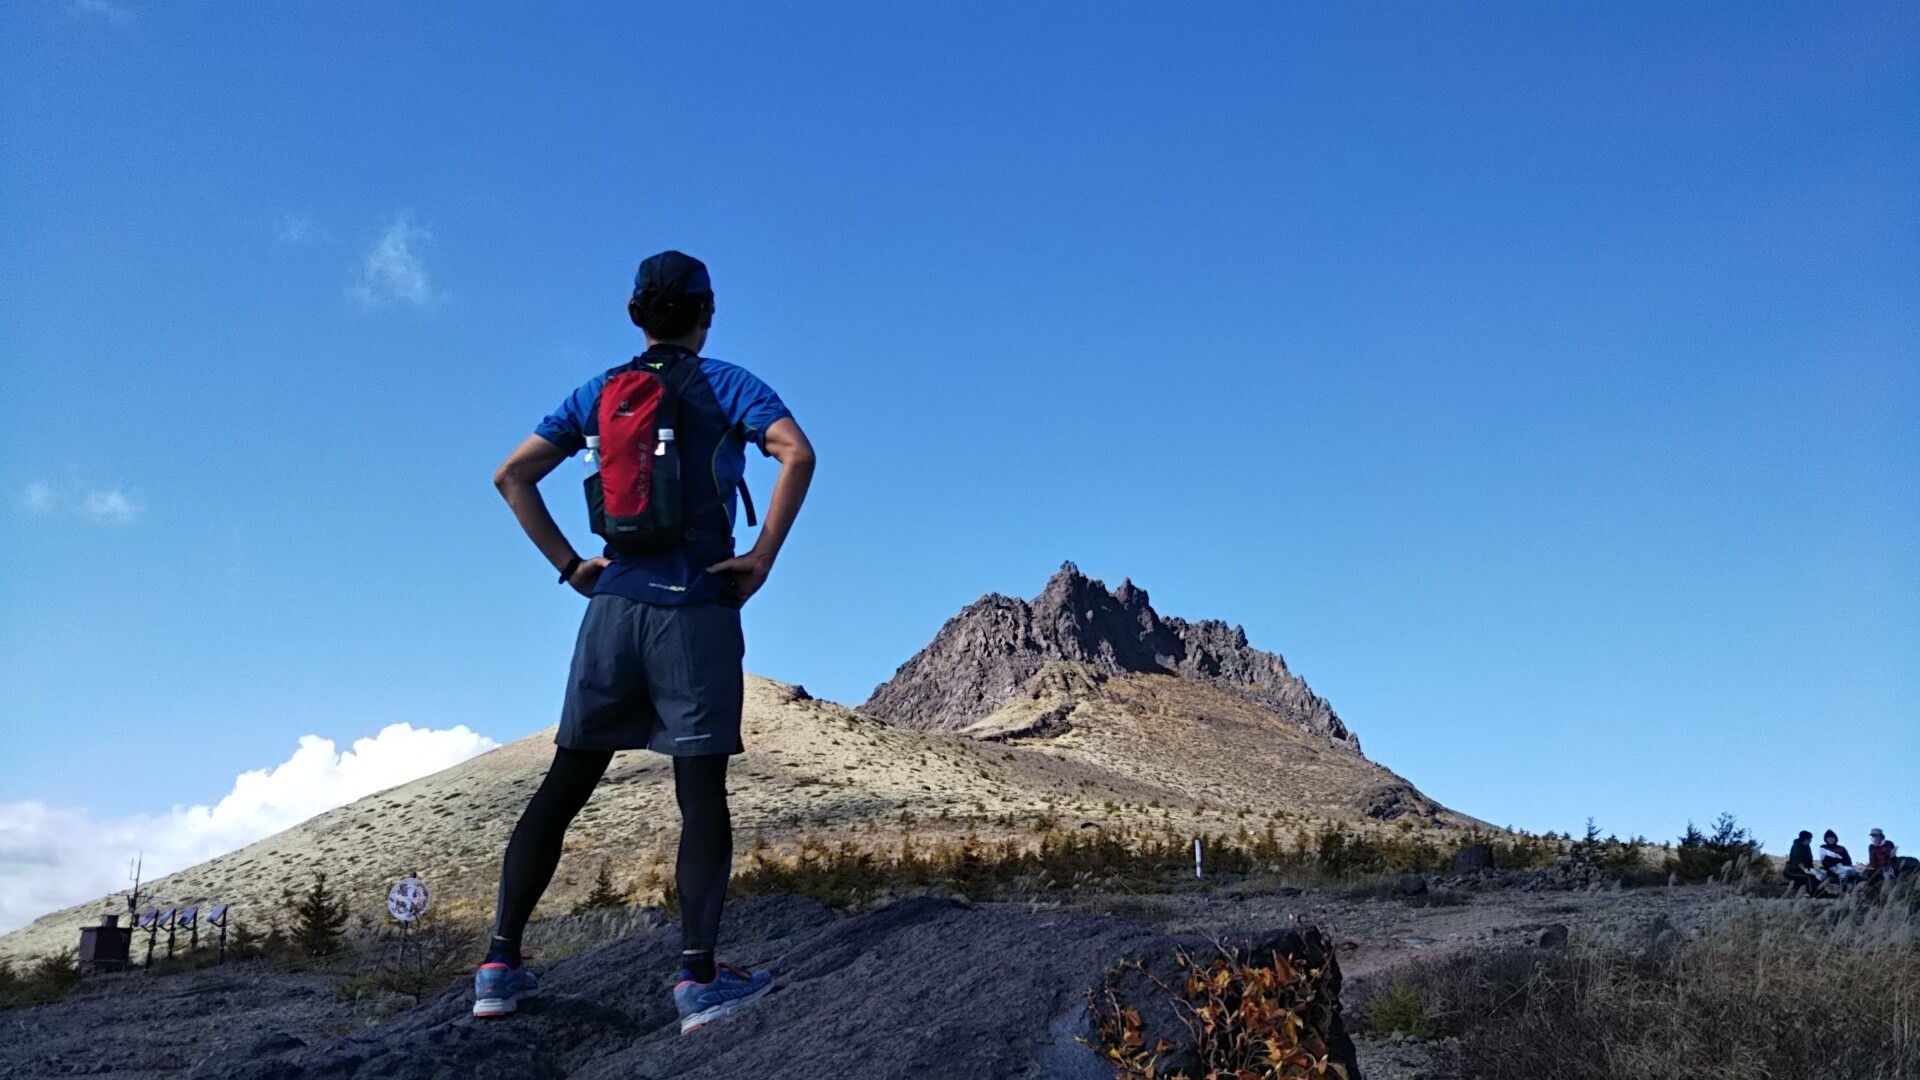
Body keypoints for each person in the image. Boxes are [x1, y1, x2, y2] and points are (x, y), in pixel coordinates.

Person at [471, 251, 816, 1033]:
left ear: (636, 315)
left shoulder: (598, 392)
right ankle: (697, 980)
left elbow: (511, 476)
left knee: (563, 785)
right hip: (694, 608)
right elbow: (797, 452)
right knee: (700, 794)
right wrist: (761, 557)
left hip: (611, 610)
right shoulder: (729, 384)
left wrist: (570, 568)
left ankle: (499, 965)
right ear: (707, 310)